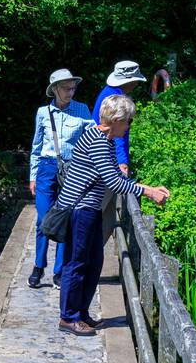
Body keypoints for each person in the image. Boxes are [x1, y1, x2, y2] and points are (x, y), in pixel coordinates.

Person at [54, 95, 171, 335]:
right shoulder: (97, 140)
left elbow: (112, 175)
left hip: (90, 210)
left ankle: (82, 313)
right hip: (80, 210)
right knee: (76, 264)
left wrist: (144, 186)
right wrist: (148, 191)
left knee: (94, 262)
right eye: (128, 121)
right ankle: (68, 317)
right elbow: (114, 182)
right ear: (116, 120)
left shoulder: (102, 139)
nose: (129, 126)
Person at [28, 68, 93, 289]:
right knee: (43, 219)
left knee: (66, 218)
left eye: (73, 87)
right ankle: (38, 266)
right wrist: (32, 176)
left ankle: (59, 271)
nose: (70, 91)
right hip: (46, 169)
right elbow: (36, 147)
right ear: (55, 89)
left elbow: (93, 140)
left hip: (73, 169)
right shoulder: (42, 112)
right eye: (66, 88)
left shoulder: (83, 110)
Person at [92, 60, 146, 177]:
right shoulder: (115, 99)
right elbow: (116, 132)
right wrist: (121, 161)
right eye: (136, 80)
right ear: (130, 81)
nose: (137, 83)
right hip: (108, 152)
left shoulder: (111, 91)